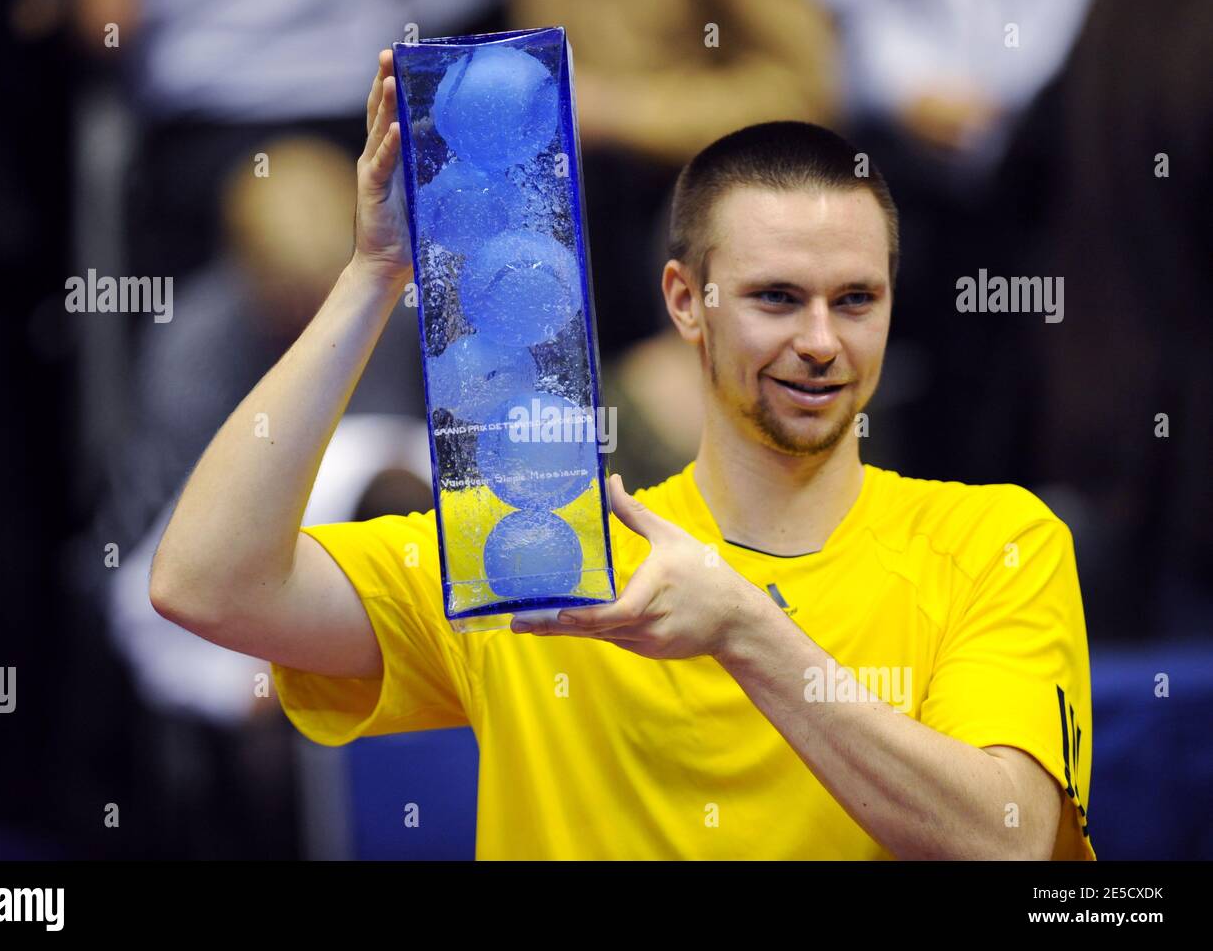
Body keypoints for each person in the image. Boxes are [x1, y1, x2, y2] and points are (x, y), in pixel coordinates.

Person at [149, 50, 1095, 860]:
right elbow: (207, 583)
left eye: (855, 299)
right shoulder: (536, 552)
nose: (820, 340)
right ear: (686, 301)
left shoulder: (996, 541)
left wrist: (746, 631)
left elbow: (1006, 839)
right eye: (775, 297)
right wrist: (373, 274)